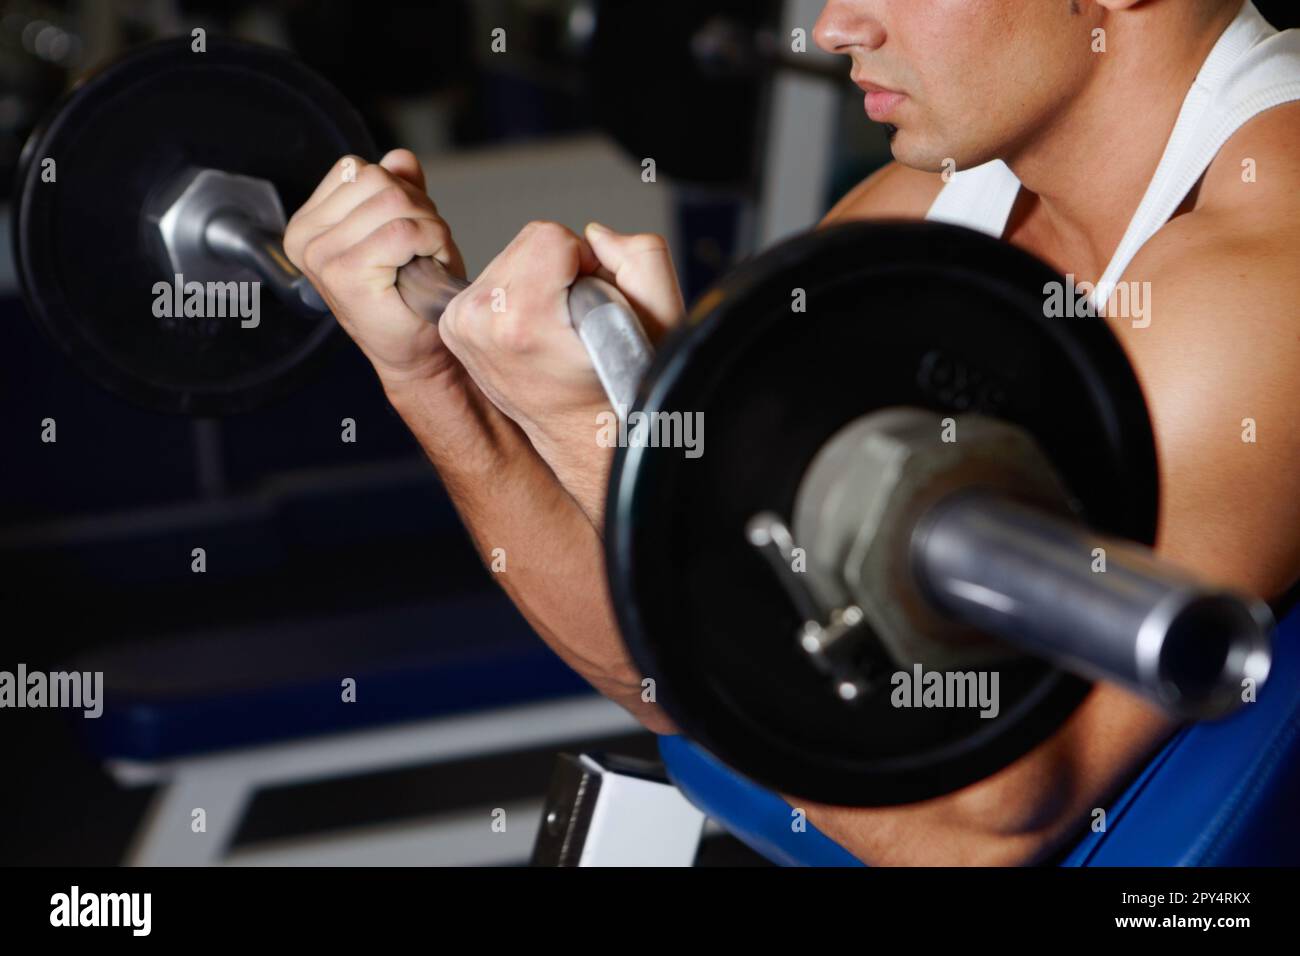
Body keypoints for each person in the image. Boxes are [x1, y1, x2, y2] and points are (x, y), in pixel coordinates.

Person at [283, 0, 1300, 865]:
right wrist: (428, 377)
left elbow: (980, 828)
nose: (831, 26)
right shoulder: (925, 216)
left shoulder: (1264, 271)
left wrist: (606, 435)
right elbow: (673, 678)